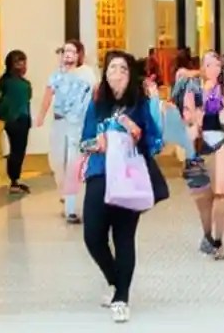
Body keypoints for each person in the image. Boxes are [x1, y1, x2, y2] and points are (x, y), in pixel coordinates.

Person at [79, 51, 163, 324]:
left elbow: (154, 142)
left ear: (130, 75)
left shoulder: (140, 104)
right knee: (93, 236)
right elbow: (83, 142)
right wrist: (97, 143)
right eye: (112, 67)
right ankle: (116, 281)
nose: (116, 72)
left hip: (129, 174)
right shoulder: (96, 105)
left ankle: (122, 297)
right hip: (100, 173)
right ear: (105, 74)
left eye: (123, 69)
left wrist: (137, 133)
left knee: (124, 236)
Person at [181, 52, 224, 259]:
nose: (212, 68)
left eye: (216, 64)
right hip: (199, 144)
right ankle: (208, 235)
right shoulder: (193, 91)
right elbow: (188, 117)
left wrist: (206, 116)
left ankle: (219, 239)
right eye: (207, 64)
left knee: (221, 192)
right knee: (203, 198)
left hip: (222, 142)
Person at [37, 40, 96, 224]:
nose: (68, 54)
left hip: (78, 126)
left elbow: (96, 94)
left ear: (79, 54)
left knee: (73, 164)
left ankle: (72, 208)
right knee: (57, 162)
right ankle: (65, 194)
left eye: (72, 51)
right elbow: (48, 95)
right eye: (65, 51)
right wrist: (40, 116)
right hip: (59, 123)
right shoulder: (56, 75)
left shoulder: (87, 74)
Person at [0, 50, 33, 195]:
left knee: (15, 150)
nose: (22, 65)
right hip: (19, 119)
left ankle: (14, 179)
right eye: (19, 62)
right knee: (18, 150)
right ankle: (14, 180)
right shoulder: (23, 84)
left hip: (13, 120)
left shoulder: (3, 81)